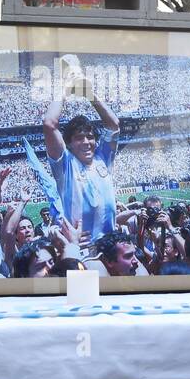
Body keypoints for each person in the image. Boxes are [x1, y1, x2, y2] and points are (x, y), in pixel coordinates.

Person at [43, 54, 122, 242]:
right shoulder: (65, 165)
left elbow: (114, 125)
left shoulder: (102, 157)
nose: (87, 142)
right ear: (68, 144)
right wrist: (64, 87)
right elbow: (49, 124)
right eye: (79, 138)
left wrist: (90, 94)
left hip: (111, 245)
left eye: (90, 137)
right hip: (84, 250)